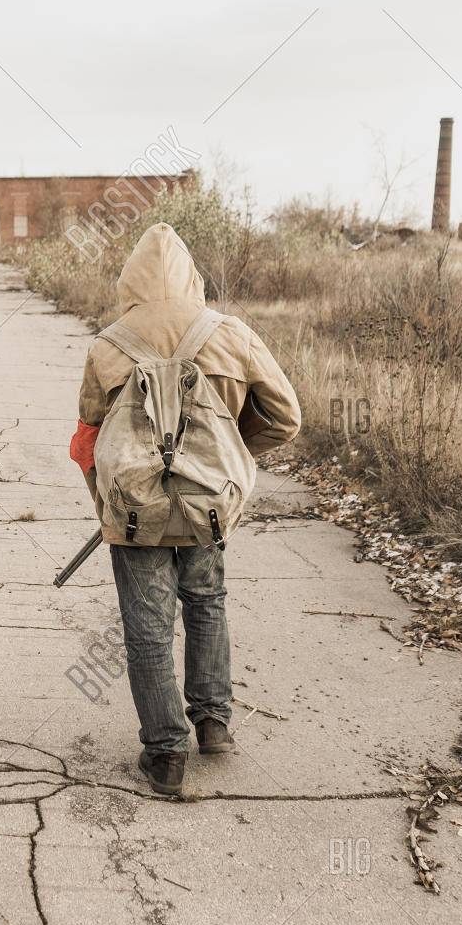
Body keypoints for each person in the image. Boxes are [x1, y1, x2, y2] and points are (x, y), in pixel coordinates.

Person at [69, 223, 301, 796]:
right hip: (208, 509)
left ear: (131, 281)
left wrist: (108, 496)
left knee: (147, 633)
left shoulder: (108, 344)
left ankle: (166, 754)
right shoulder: (232, 335)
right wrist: (231, 456)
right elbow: (285, 419)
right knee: (206, 603)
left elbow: (86, 439)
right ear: (192, 280)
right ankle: (213, 722)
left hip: (134, 514)